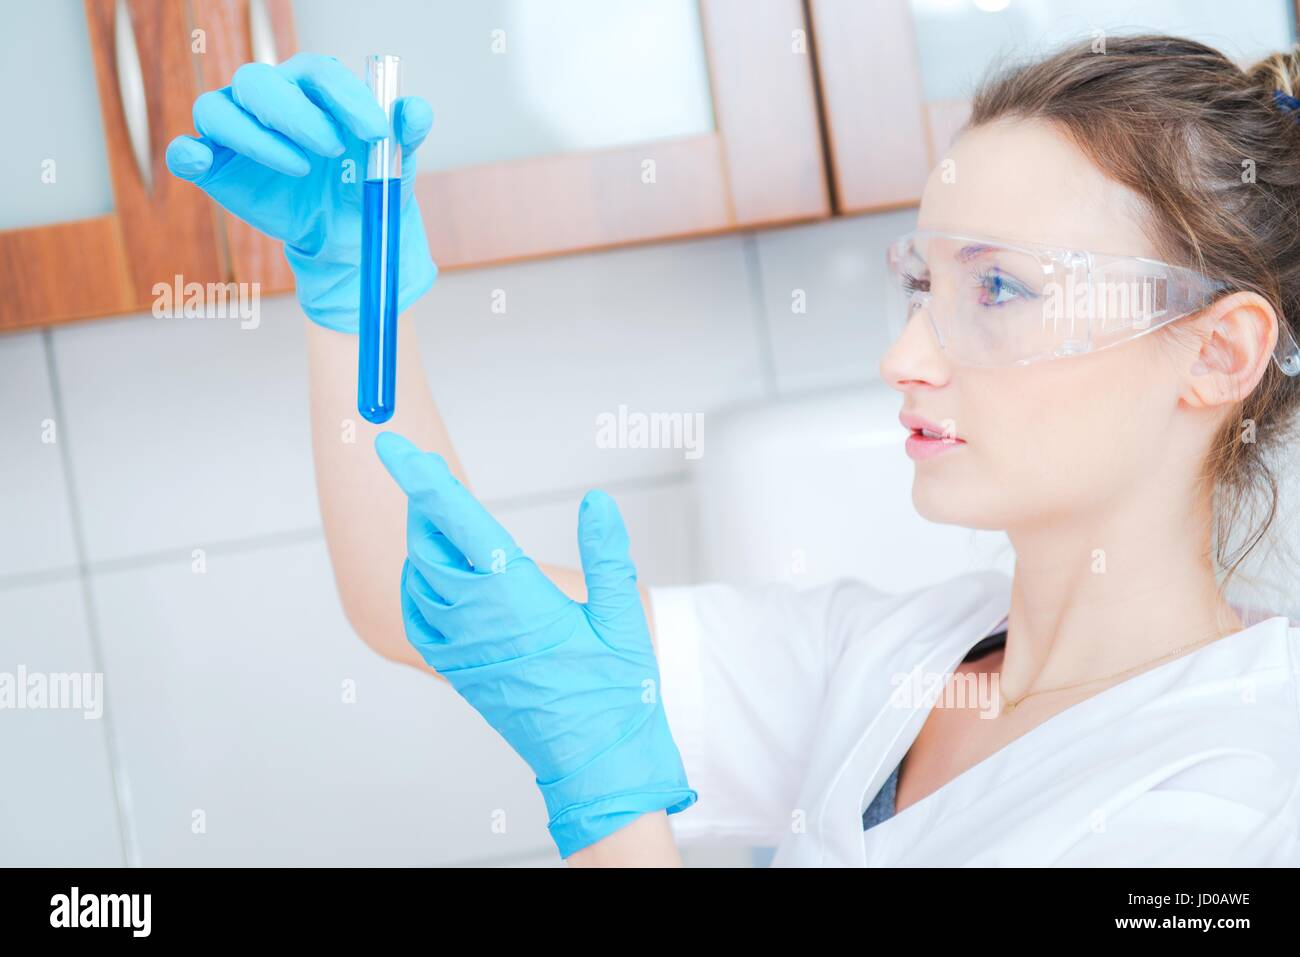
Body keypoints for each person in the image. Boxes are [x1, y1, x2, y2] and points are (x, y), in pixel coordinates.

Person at [167, 35, 1300, 867]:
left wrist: (610, 807)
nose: (905, 355)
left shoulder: (1240, 796)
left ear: (1217, 355)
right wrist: (359, 296)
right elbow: (415, 592)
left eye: (998, 287)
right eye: (923, 284)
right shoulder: (888, 661)